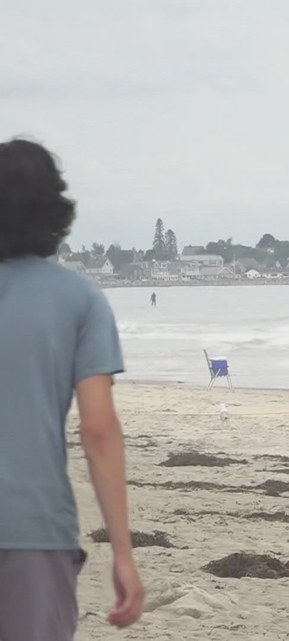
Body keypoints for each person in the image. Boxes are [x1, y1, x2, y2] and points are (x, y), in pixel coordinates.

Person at [0, 138, 144, 639]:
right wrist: (122, 552)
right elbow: (98, 428)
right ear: (55, 212)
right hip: (33, 527)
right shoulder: (79, 299)